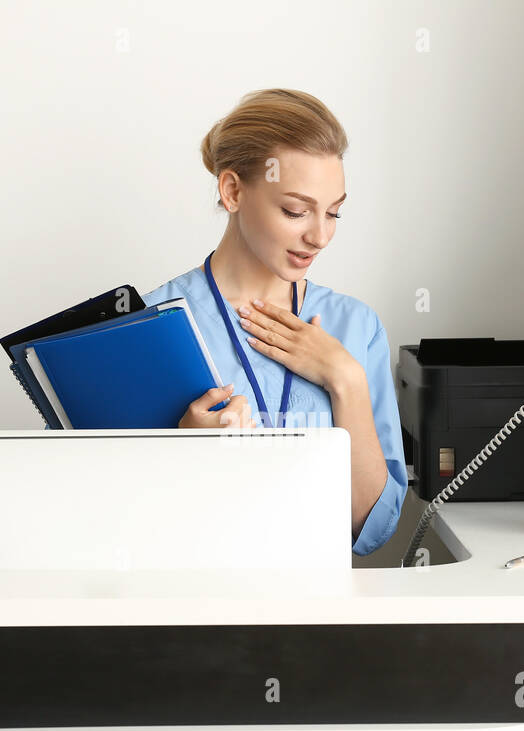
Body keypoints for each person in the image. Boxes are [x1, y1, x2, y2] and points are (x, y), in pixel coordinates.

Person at [142, 89, 407, 557]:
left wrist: (346, 380)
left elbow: (371, 530)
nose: (320, 235)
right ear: (233, 191)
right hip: (185, 610)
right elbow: (100, 517)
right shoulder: (147, 327)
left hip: (318, 613)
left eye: (334, 212)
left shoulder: (356, 327)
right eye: (295, 211)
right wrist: (178, 455)